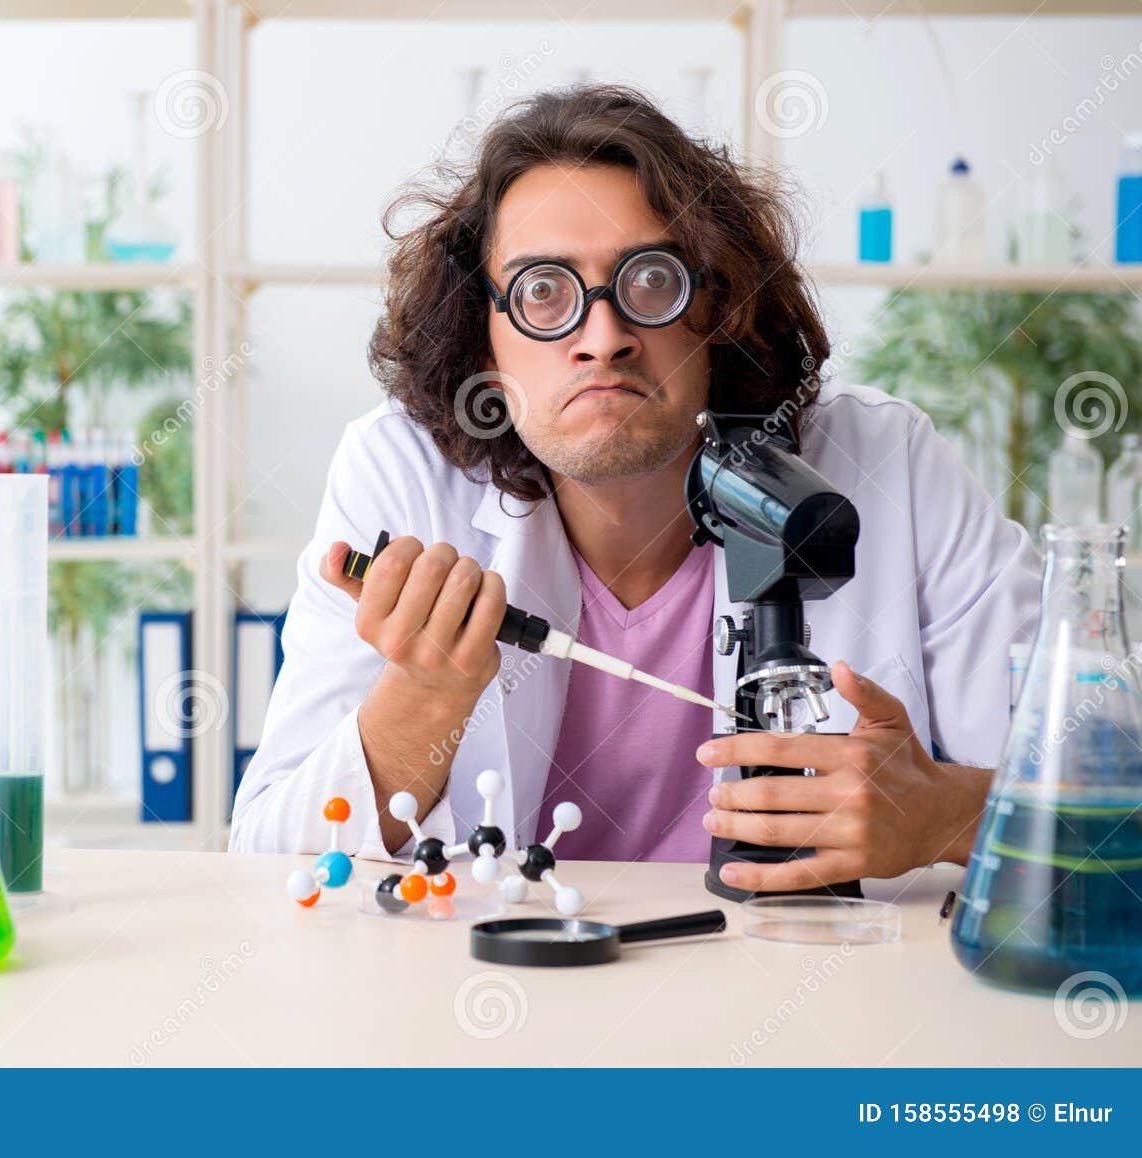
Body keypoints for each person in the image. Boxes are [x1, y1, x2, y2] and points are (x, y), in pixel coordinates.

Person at [229, 84, 1040, 895]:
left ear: (718, 303)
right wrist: (424, 698)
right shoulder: (402, 477)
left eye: (651, 281)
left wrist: (950, 816)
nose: (604, 337)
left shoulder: (886, 461)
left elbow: (1111, 819)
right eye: (543, 290)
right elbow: (268, 862)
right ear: (482, 328)